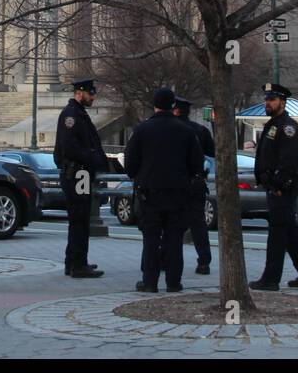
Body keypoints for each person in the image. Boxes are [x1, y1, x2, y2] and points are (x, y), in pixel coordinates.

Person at [125, 88, 206, 292]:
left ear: (155, 105)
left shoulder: (142, 130)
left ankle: (150, 281)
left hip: (149, 192)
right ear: (173, 106)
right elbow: (197, 164)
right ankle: (173, 282)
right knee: (174, 239)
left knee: (151, 239)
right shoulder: (187, 131)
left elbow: (130, 165)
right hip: (178, 193)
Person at [249, 83, 298, 291]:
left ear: (282, 102)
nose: (267, 103)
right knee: (289, 231)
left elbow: (288, 161)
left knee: (277, 234)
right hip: (273, 186)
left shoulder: (288, 127)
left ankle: (270, 279)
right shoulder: (273, 124)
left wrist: (279, 185)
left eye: (272, 99)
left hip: (281, 188)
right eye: (266, 99)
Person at [53, 77, 108, 278]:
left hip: (81, 172)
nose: (93, 97)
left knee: (79, 218)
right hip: (79, 173)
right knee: (80, 218)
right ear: (80, 92)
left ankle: (74, 261)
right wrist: (92, 158)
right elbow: (70, 148)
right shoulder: (72, 115)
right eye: (90, 93)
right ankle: (78, 265)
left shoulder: (79, 114)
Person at [173, 96, 215, 274]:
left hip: (174, 183)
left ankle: (168, 259)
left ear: (175, 110)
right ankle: (204, 261)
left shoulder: (171, 129)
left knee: (172, 223)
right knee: (198, 223)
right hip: (196, 182)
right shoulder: (201, 130)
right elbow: (211, 158)